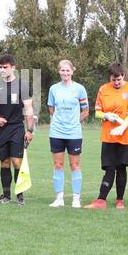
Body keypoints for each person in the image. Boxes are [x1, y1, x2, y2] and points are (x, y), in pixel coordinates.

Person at [87, 63, 128, 209]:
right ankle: (101, 200)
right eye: (114, 80)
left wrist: (122, 127)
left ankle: (119, 200)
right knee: (109, 168)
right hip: (108, 137)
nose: (116, 83)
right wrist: (107, 115)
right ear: (110, 77)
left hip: (126, 137)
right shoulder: (103, 89)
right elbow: (97, 112)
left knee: (121, 168)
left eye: (119, 80)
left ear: (123, 76)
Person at [0, 52, 34, 205]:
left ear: (13, 67)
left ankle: (20, 195)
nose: (2, 70)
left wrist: (30, 130)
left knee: (16, 162)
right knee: (4, 162)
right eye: (0, 67)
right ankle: (6, 195)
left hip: (17, 128)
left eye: (5, 67)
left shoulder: (22, 85)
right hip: (1, 130)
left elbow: (28, 108)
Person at [46, 59, 89, 208]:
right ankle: (59, 198)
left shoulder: (80, 89)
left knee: (75, 165)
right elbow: (51, 107)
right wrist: (56, 120)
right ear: (59, 71)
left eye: (67, 70)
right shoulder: (53, 89)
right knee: (58, 164)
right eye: (62, 70)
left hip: (74, 134)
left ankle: (76, 199)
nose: (65, 73)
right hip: (57, 132)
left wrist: (75, 122)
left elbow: (85, 111)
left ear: (73, 71)